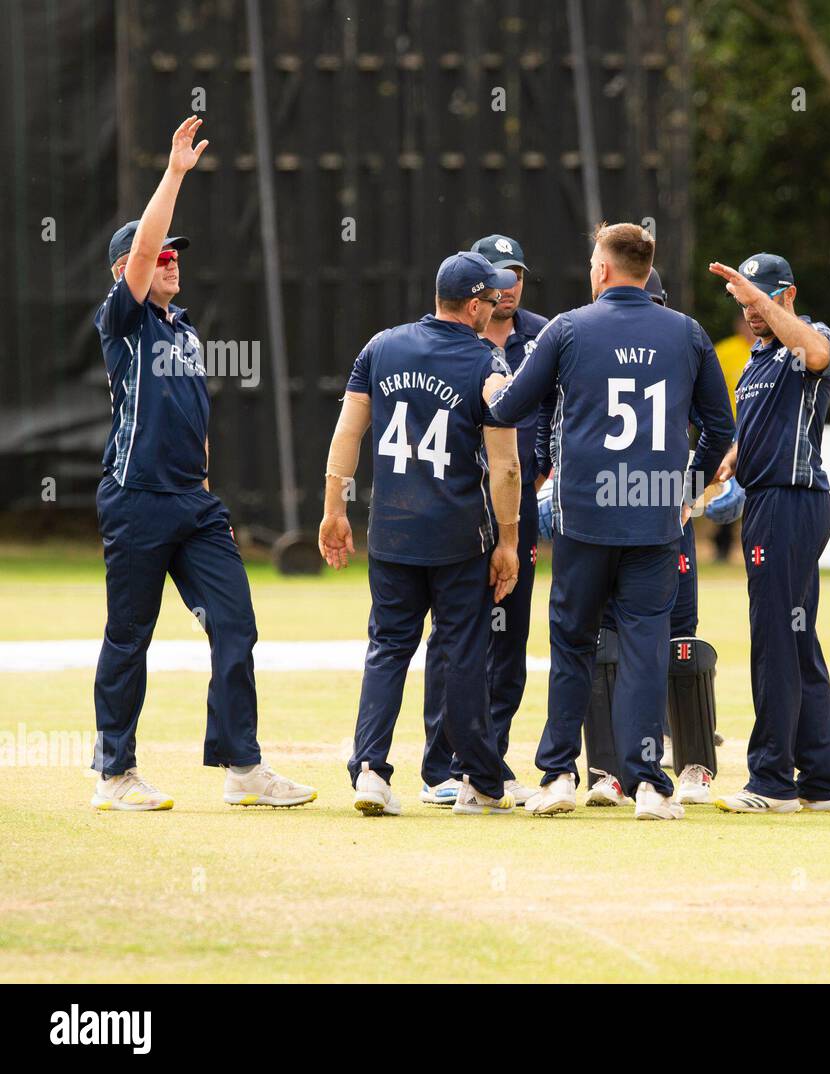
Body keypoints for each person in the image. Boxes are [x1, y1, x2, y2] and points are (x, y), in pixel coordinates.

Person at [91, 115, 315, 811]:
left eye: (174, 255)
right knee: (130, 636)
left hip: (192, 503)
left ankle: (242, 767)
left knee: (235, 622)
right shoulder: (122, 322)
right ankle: (114, 775)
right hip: (135, 497)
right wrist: (175, 174)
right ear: (128, 270)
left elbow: (194, 414)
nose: (170, 260)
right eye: (158, 257)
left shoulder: (183, 329)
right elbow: (144, 249)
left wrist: (207, 474)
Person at [484, 223, 735, 820]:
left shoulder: (568, 328)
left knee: (572, 642)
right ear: (646, 271)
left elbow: (511, 408)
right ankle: (648, 783)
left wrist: (494, 383)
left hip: (584, 518)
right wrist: (687, 487)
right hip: (655, 518)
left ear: (603, 269)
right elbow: (721, 429)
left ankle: (558, 775)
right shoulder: (687, 333)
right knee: (647, 645)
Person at [319, 251, 522, 817]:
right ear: (477, 304)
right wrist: (508, 540)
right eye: (492, 298)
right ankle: (480, 781)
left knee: (387, 649)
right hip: (460, 535)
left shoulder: (381, 346)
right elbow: (505, 466)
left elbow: (347, 431)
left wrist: (335, 505)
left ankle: (370, 771)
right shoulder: (488, 362)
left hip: (391, 531)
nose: (496, 305)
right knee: (460, 654)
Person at [708, 254, 830, 814]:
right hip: (768, 500)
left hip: (792, 501)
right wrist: (734, 458)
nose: (750, 314)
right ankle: (819, 781)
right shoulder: (757, 359)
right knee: (796, 637)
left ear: (785, 294)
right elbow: (761, 424)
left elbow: (815, 353)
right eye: (743, 305)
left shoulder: (808, 337)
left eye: (759, 301)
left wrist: (765, 302)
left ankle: (770, 780)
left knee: (773, 641)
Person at [581, 268, 722, 809]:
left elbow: (716, 427)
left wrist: (691, 488)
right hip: (613, 510)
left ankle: (691, 762)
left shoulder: (678, 341)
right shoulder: (611, 340)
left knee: (678, 637)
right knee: (606, 640)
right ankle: (610, 769)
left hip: (662, 512)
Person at [420, 234, 548, 808]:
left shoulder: (546, 336)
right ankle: (441, 766)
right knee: (453, 640)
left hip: (522, 505)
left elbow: (562, 412)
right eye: (499, 273)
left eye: (516, 272)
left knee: (509, 638)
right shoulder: (443, 341)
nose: (510, 283)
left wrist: (541, 475)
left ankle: (486, 761)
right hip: (458, 512)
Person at [708, 312, 755, 562]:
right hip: (728, 431)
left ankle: (753, 545)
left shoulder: (769, 351)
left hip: (757, 432)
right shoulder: (724, 351)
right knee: (724, 488)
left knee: (753, 491)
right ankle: (722, 546)